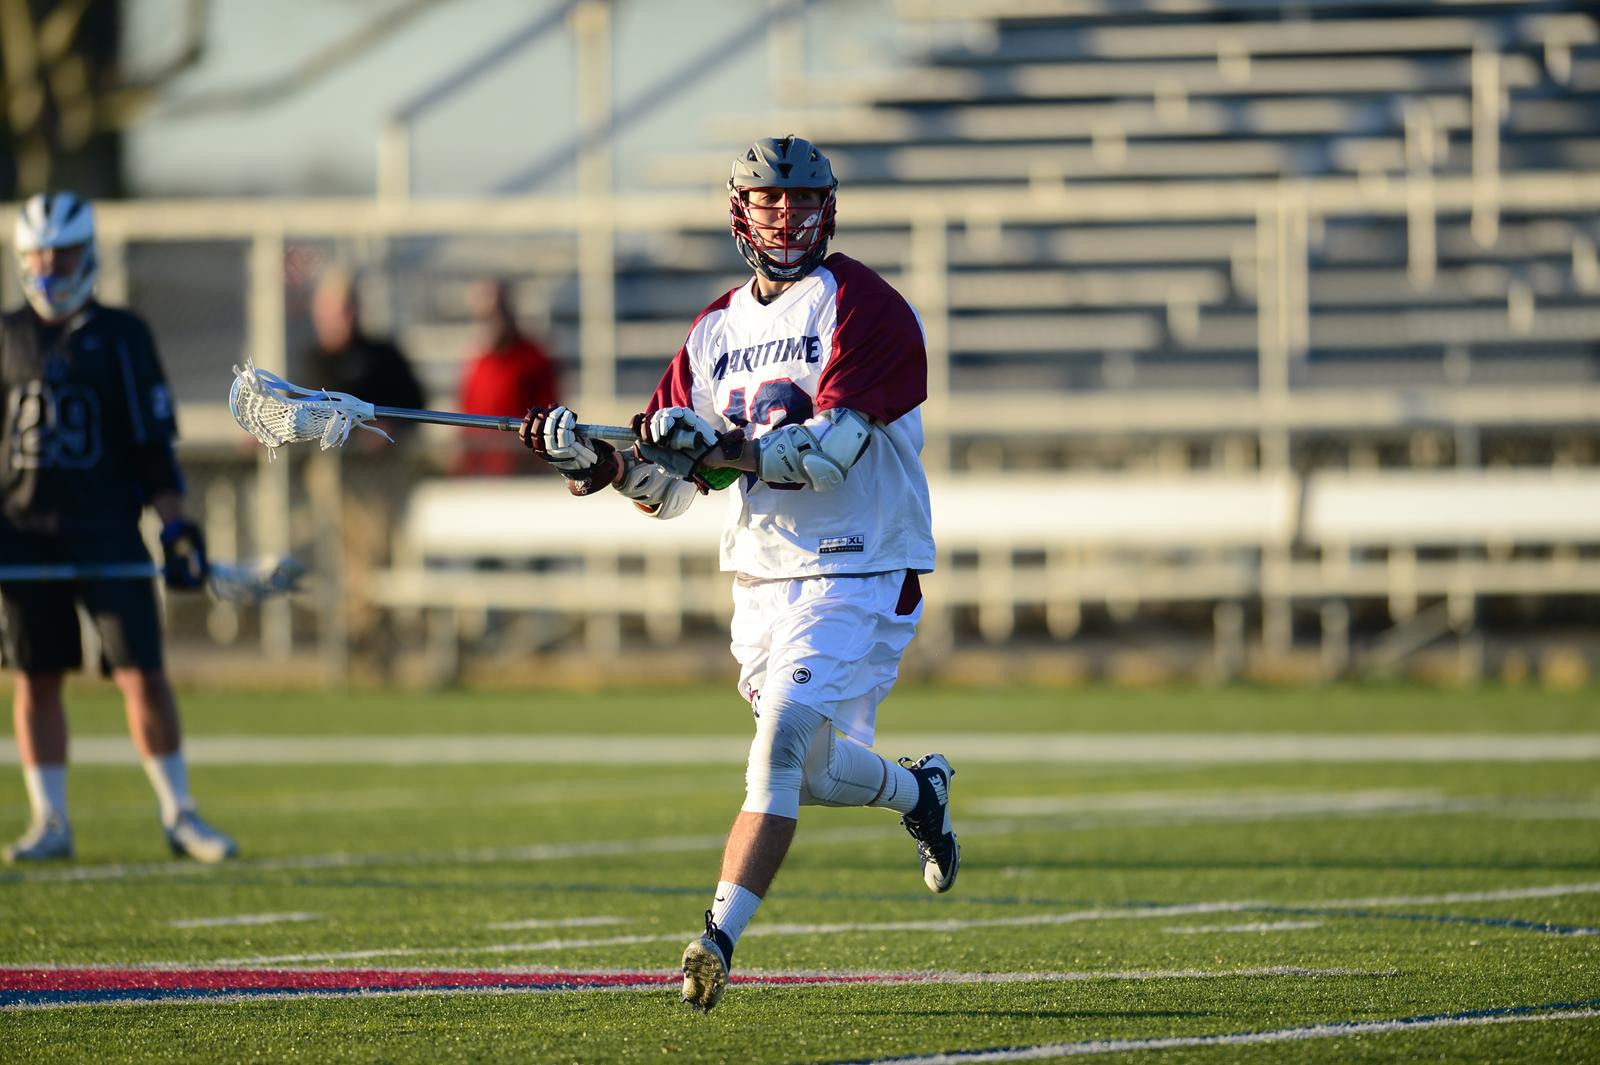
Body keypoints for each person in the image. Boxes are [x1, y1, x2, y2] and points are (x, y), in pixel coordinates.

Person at [518, 136, 956, 1012]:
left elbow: (827, 453)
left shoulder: (865, 305)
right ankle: (922, 791)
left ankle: (715, 939)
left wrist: (719, 447)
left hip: (859, 562)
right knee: (813, 770)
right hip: (762, 577)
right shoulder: (714, 332)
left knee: (780, 744)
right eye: (769, 200)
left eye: (801, 200)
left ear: (828, 209)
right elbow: (668, 486)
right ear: (740, 211)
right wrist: (594, 462)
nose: (786, 216)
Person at [0, 191, 236, 863]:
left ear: (87, 254)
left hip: (105, 529)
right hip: (22, 534)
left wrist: (175, 525)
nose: (49, 268)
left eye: (62, 254)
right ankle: (50, 818)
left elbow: (152, 445)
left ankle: (179, 812)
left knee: (141, 671)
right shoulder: (6, 335)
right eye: (38, 255)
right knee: (36, 675)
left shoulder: (123, 335)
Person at [298, 269, 425, 667]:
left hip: (380, 479)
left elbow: (414, 403)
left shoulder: (381, 356)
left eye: (348, 308)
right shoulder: (312, 363)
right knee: (348, 560)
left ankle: (376, 636)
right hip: (338, 481)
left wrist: (389, 428)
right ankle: (357, 636)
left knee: (378, 554)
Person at [453, 279, 559, 476]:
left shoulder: (533, 359)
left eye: (496, 313)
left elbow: (548, 418)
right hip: (481, 469)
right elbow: (467, 416)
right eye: (483, 317)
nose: (491, 323)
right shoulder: (477, 362)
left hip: (521, 470)